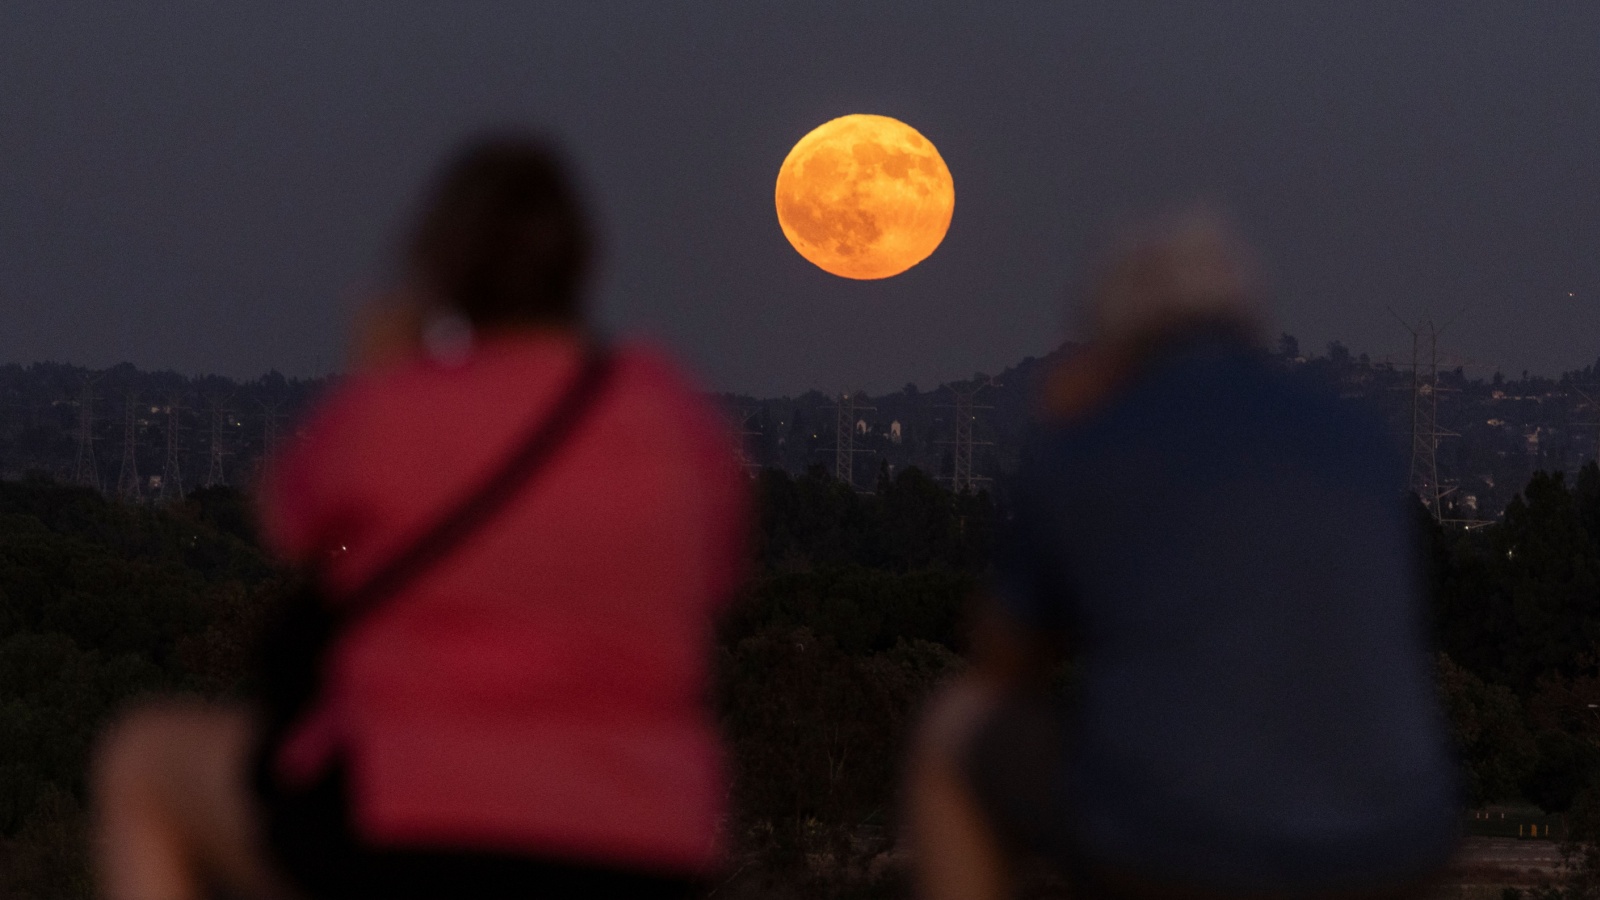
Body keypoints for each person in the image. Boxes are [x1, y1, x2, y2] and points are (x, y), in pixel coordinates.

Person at [93, 135, 748, 899]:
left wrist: (380, 374)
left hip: (416, 820)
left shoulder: (400, 405)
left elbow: (289, 519)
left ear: (442, 265)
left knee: (140, 762)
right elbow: (718, 578)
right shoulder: (675, 418)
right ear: (581, 263)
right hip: (648, 837)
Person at [906, 211, 1461, 900]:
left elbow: (1005, 657)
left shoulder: (1087, 442)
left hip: (1178, 842)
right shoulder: (1357, 435)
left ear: (1110, 338)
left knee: (954, 733)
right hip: (1398, 838)